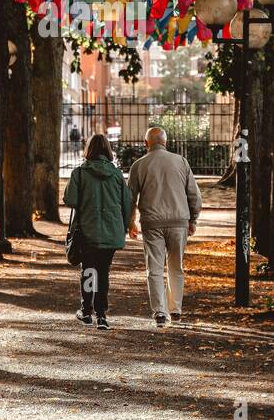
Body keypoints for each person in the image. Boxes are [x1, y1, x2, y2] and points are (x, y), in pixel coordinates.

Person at [127, 126, 202, 327]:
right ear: (166, 143)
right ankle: (175, 309)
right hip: (179, 222)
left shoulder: (139, 165)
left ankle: (160, 311)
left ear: (146, 144)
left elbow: (130, 198)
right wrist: (192, 220)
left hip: (152, 223)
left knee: (155, 268)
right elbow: (194, 195)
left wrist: (130, 221)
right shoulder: (181, 162)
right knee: (176, 267)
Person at [63, 133, 133, 331]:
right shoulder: (117, 174)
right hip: (111, 230)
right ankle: (102, 315)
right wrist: (125, 227)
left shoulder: (80, 173)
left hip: (87, 229)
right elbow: (126, 204)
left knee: (88, 271)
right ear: (107, 150)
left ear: (89, 150)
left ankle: (86, 311)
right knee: (103, 272)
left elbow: (70, 200)